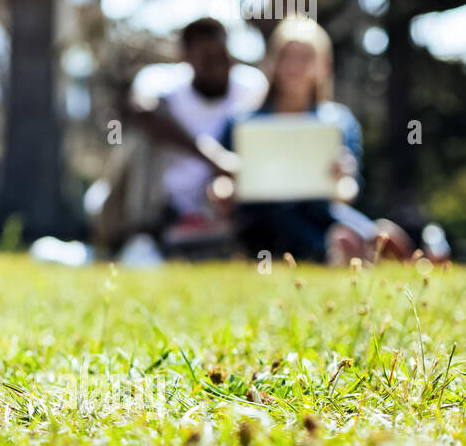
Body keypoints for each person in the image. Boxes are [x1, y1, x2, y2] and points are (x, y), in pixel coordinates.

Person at [217, 15, 413, 265]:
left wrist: (342, 177)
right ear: (273, 62)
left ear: (324, 66)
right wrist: (223, 190)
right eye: (286, 57)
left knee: (318, 211)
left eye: (305, 58)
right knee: (279, 210)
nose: (294, 67)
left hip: (320, 210)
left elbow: (347, 192)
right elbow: (224, 182)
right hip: (261, 217)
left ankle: (361, 243)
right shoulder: (242, 121)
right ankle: (345, 248)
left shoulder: (339, 122)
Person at [121, 17, 267, 252]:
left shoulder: (251, 86)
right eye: (206, 58)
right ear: (186, 58)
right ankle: (140, 233)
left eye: (221, 55)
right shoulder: (163, 82)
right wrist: (214, 158)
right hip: (168, 204)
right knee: (140, 142)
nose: (217, 66)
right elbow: (142, 109)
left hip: (228, 199)